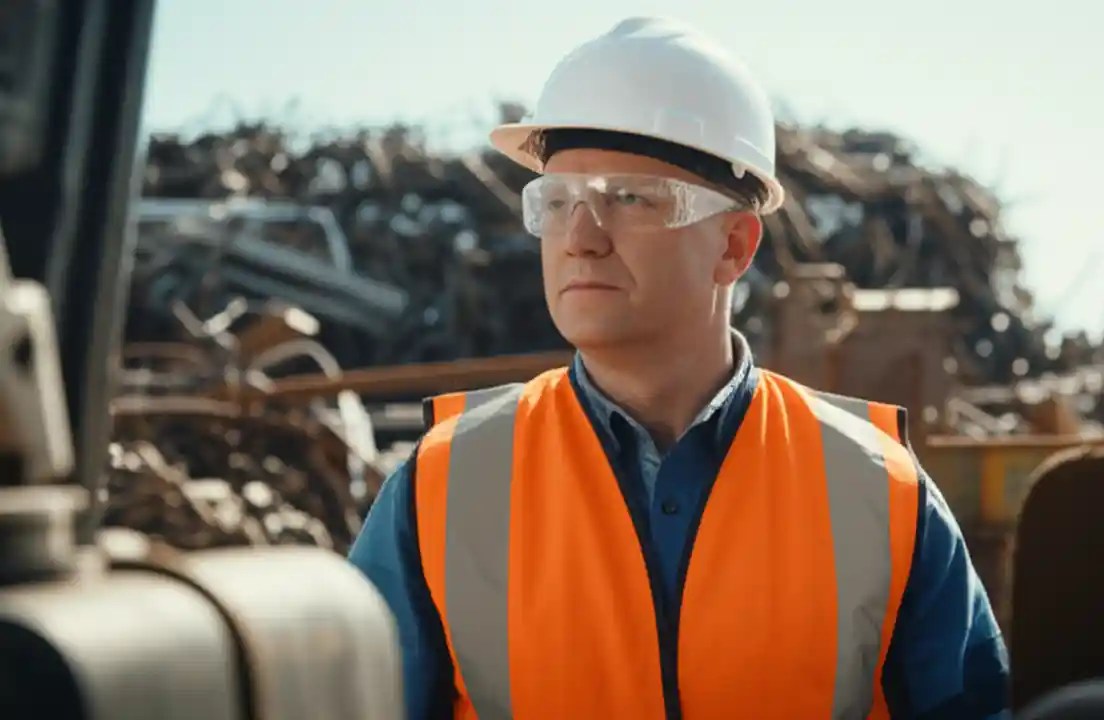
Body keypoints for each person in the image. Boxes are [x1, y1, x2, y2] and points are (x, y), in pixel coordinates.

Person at [349, 16, 1010, 720]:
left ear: (735, 244)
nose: (580, 238)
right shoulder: (442, 489)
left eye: (627, 197)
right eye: (559, 201)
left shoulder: (880, 493)